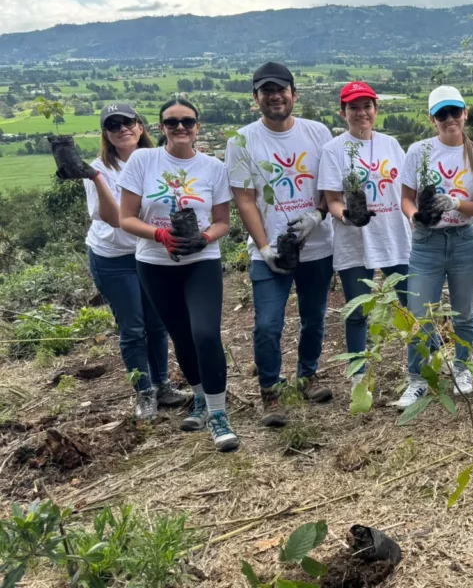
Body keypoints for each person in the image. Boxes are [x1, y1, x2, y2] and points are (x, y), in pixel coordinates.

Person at [118, 97, 239, 452]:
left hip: (201, 262)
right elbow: (127, 217)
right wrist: (160, 235)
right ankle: (201, 398)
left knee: (204, 333)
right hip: (155, 264)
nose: (181, 127)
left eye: (188, 121)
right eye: (172, 123)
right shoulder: (143, 160)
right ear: (161, 128)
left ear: (197, 126)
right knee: (182, 337)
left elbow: (223, 223)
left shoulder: (213, 167)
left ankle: (218, 415)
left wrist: (202, 238)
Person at [225, 63, 335, 429]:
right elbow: (244, 198)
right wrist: (264, 245)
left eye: (281, 89)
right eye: (266, 91)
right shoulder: (241, 140)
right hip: (269, 249)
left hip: (316, 245)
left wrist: (318, 215)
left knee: (314, 318)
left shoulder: (318, 133)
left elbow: (329, 185)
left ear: (294, 93)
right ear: (256, 98)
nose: (275, 96)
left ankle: (308, 376)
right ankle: (270, 389)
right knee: (267, 325)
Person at [84, 103, 189, 420]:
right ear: (106, 134)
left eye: (128, 122)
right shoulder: (97, 169)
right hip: (114, 257)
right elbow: (114, 218)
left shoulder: (157, 163)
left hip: (151, 255)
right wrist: (97, 179)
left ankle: (163, 385)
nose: (122, 129)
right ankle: (144, 393)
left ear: (141, 126)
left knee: (158, 324)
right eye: (113, 125)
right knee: (132, 327)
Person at [397, 86, 473, 408]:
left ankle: (462, 367)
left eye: (455, 112)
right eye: (442, 114)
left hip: (464, 240)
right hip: (427, 243)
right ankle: (418, 378)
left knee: (464, 312)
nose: (449, 119)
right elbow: (406, 197)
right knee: (420, 314)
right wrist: (415, 217)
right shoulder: (419, 152)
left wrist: (455, 203)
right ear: (432, 119)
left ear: (465, 113)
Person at [319, 82, 411, 403]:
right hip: (354, 240)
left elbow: (405, 190)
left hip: (394, 236)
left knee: (411, 305)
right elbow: (331, 200)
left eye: (367, 106)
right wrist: (347, 215)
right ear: (343, 112)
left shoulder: (391, 145)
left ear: (376, 110)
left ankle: (423, 369)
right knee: (358, 312)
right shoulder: (333, 150)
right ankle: (359, 380)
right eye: (353, 107)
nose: (361, 113)